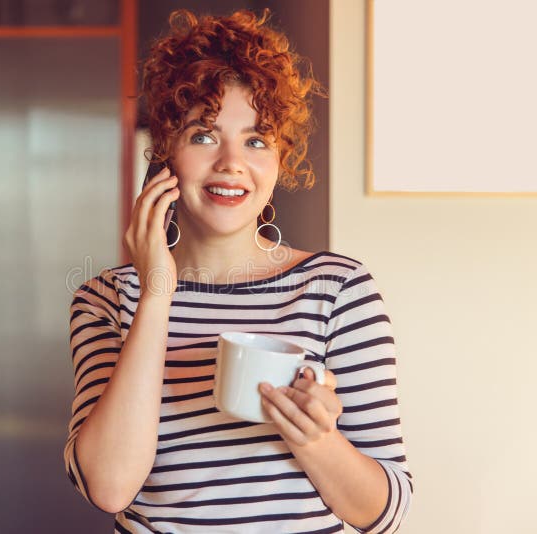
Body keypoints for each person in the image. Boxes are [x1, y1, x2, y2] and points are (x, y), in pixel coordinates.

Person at [64, 9, 413, 533]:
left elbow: (383, 512)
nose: (231, 163)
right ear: (165, 153)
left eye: (256, 140)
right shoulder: (107, 298)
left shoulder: (339, 290)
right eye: (204, 135)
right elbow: (111, 487)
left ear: (279, 159)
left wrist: (315, 437)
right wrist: (157, 291)